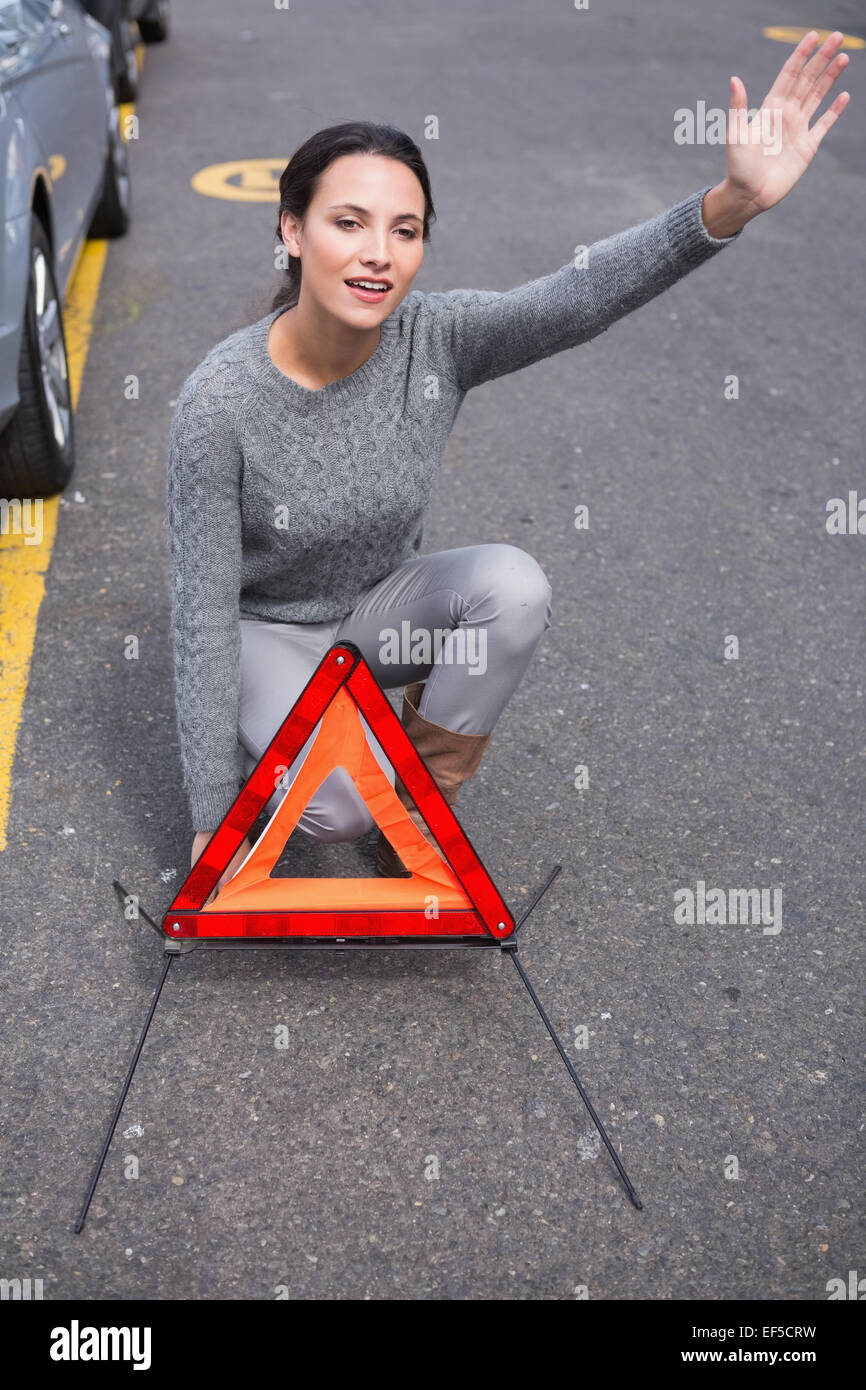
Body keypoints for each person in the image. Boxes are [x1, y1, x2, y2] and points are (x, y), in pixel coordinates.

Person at [166, 31, 851, 902]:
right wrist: (210, 819)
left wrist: (728, 204)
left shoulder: (437, 339)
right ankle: (367, 793)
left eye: (404, 230)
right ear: (291, 230)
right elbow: (197, 620)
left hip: (376, 622)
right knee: (335, 809)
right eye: (348, 222)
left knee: (513, 584)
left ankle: (415, 805)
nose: (378, 252)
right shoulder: (217, 403)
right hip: (267, 634)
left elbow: (580, 296)